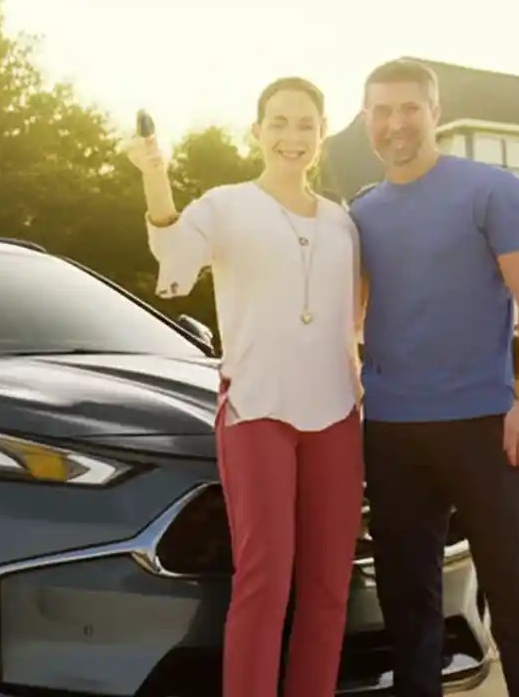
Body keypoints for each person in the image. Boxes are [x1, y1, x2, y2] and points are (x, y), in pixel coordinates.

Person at [124, 77, 364, 697]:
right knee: (264, 580)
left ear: (322, 133)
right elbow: (174, 257)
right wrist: (156, 175)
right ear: (256, 132)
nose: (292, 136)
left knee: (328, 586)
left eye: (306, 124)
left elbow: (352, 316)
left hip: (338, 416)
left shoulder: (343, 223)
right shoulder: (226, 206)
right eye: (278, 122)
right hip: (258, 413)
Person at [348, 58, 519, 697]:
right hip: (391, 431)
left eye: (409, 108)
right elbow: (351, 318)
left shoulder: (492, 192)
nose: (395, 123)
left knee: (516, 591)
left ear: (435, 112)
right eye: (382, 111)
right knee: (407, 600)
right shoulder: (361, 213)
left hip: (485, 427)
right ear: (365, 119)